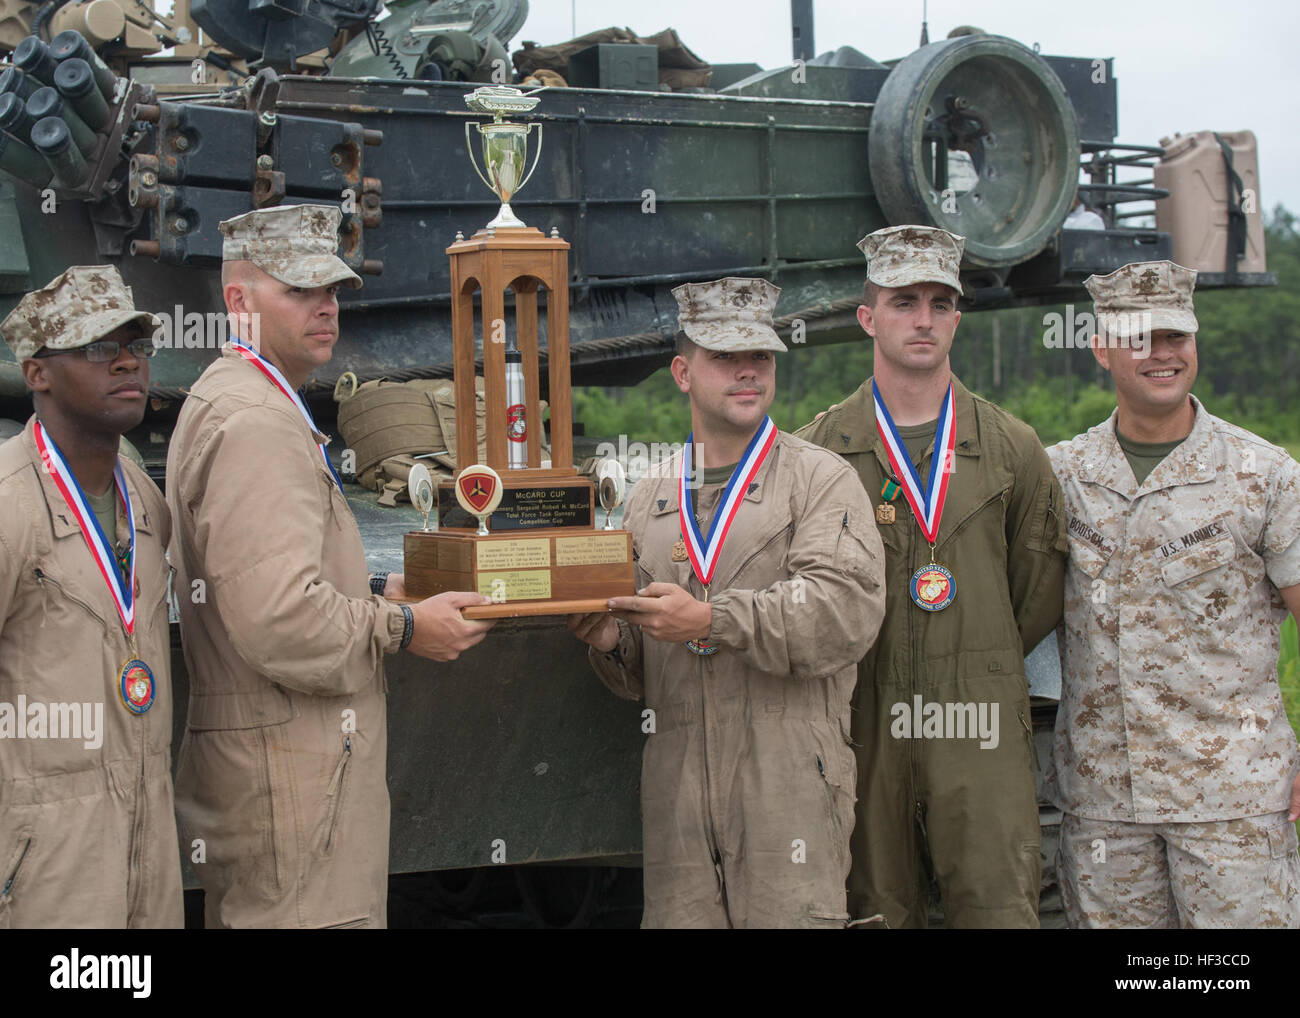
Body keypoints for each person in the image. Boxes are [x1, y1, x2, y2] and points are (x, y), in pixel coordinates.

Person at [166, 204, 494, 928]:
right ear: (239, 302)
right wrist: (403, 628)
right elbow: (281, 621)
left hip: (288, 780)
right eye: (300, 290)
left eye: (334, 291)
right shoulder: (254, 422)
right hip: (292, 787)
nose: (326, 307)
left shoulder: (251, 402)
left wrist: (372, 588)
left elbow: (264, 583)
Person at [568, 276, 886, 928]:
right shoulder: (646, 495)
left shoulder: (820, 481)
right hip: (677, 794)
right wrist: (608, 642)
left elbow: (843, 612)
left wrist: (713, 618)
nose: (748, 372)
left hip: (789, 787)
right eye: (725, 358)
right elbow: (637, 673)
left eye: (760, 357)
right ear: (683, 372)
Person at [796, 225, 1068, 928]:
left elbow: (1035, 593)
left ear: (956, 315)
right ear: (867, 317)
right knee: (873, 911)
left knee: (996, 908)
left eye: (940, 302)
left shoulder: (1011, 447)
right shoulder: (820, 452)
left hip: (979, 726)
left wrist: (972, 656)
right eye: (903, 300)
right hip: (863, 727)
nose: (924, 319)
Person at [1048, 259, 1300, 928]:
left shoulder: (1264, 476)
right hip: (1104, 806)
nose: (1161, 355)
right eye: (1138, 339)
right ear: (1101, 349)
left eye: (1176, 338)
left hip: (1233, 805)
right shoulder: (1061, 476)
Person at [0, 266, 182, 927]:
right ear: (38, 373)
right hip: (46, 875)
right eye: (99, 347)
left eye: (135, 344)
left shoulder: (141, 497)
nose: (128, 361)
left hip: (144, 859)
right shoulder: (10, 505)